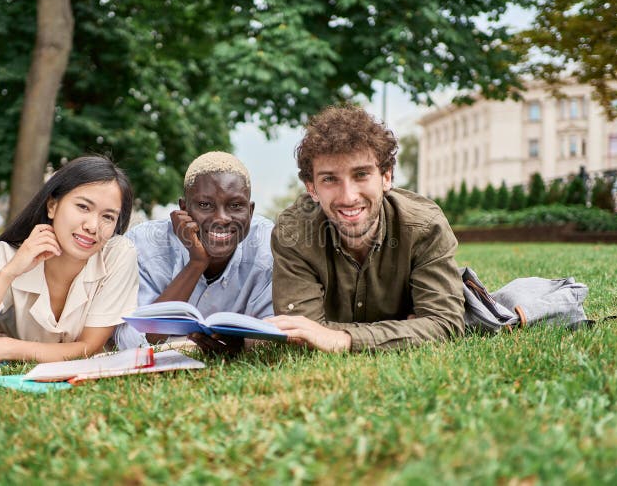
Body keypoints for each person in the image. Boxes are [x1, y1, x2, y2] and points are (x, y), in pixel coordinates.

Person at [268, 105, 465, 352]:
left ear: (386, 177)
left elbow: (445, 323)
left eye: (361, 174)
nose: (348, 197)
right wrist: (406, 329)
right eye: (329, 179)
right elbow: (300, 333)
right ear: (312, 188)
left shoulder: (425, 226)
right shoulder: (293, 234)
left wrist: (342, 339)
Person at [0, 156, 141, 371]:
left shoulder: (118, 254)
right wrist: (10, 272)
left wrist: (6, 348)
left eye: (108, 217)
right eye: (83, 207)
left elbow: (89, 348)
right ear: (52, 206)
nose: (92, 226)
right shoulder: (8, 254)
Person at [125, 151, 274, 353]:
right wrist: (196, 262)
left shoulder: (267, 245)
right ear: (184, 209)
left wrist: (243, 345)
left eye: (236, 205)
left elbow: (274, 335)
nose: (221, 218)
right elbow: (131, 339)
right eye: (205, 205)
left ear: (251, 210)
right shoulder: (145, 244)